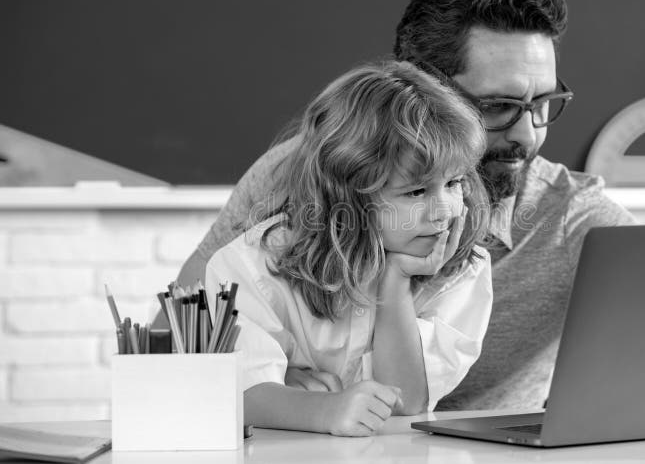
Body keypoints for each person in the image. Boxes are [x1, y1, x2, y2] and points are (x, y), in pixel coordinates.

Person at [181, 0, 636, 411]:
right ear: (424, 93)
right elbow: (188, 331)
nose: (528, 134)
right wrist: (271, 386)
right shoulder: (303, 174)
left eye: (543, 103)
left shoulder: (571, 217)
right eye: (499, 106)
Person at [204, 60, 493, 436]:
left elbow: (407, 401)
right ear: (347, 193)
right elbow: (239, 393)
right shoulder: (253, 265)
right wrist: (323, 411)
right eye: (416, 191)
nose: (444, 211)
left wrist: (396, 281)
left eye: (454, 183)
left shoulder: (461, 268)